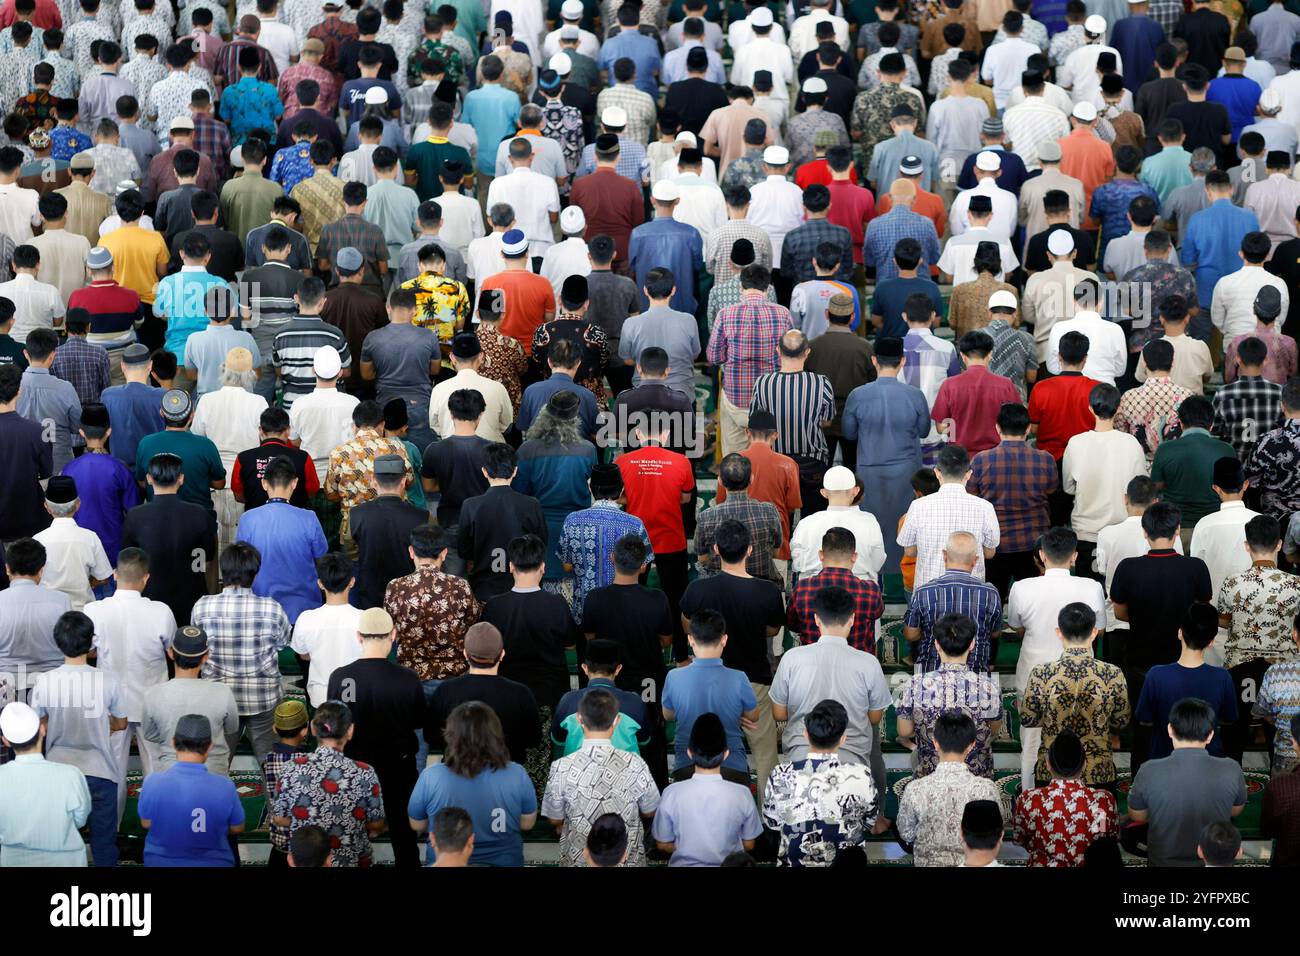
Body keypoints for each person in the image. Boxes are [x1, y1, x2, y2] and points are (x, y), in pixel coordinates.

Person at [771, 585, 892, 815]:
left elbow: (779, 714)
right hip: (853, 762)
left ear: (817, 619)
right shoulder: (868, 663)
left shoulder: (791, 658)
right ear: (852, 619)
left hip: (800, 757)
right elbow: (875, 717)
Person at [29, 610, 127, 867]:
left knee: (58, 844)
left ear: (57, 642)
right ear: (91, 641)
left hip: (57, 771)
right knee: (104, 846)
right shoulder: (108, 680)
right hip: (101, 770)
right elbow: (121, 723)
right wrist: (103, 722)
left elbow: (38, 724)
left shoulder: (45, 681)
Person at [83, 546, 174, 820]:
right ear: (146, 578)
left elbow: (87, 651)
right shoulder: (161, 612)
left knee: (111, 775)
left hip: (111, 706)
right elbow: (173, 652)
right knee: (157, 774)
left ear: (114, 574)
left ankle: (108, 833)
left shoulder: (94, 610)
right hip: (151, 703)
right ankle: (159, 829)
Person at [191, 542, 292, 766]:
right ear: (254, 574)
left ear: (223, 571)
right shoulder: (272, 608)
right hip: (264, 698)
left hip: (219, 700)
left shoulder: (202, 607)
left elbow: (198, 648)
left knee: (216, 766)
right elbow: (283, 643)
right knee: (271, 766)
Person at [407, 700, 537, 866]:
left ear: (451, 735)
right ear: (495, 735)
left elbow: (417, 824)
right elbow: (527, 823)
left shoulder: (431, 776)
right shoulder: (517, 773)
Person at [541, 687, 660, 866]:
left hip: (579, 858)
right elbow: (650, 810)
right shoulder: (635, 763)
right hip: (627, 858)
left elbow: (555, 818)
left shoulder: (561, 766)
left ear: (579, 719)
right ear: (617, 720)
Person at [1021, 603, 1130, 789]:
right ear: (1094, 632)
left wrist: (1051, 719)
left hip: (1052, 769)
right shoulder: (1112, 673)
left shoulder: (1041, 673)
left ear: (1059, 633)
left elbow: (1027, 719)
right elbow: (1121, 721)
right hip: (1098, 771)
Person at [1128, 697, 1247, 866]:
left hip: (1163, 861)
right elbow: (1235, 811)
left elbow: (1137, 815)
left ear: (1170, 730)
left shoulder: (1148, 770)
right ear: (1210, 735)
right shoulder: (1232, 768)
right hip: (1213, 859)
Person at [761, 698, 879, 867]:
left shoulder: (780, 774)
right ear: (843, 739)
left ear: (805, 734)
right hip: (846, 863)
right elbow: (869, 821)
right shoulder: (862, 775)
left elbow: (772, 822)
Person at [270, 701, 385, 867]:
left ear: (313, 728)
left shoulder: (290, 768)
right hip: (352, 860)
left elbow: (279, 819)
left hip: (307, 860)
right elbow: (376, 824)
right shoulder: (365, 772)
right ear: (350, 731)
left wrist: (309, 818)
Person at [651, 712, 764, 866]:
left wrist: (688, 850)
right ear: (726, 754)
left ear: (689, 753)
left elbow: (662, 844)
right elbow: (749, 844)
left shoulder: (672, 793)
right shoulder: (742, 794)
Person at [896, 710, 1004, 867]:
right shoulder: (986, 789)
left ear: (935, 743)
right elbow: (995, 832)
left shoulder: (915, 789)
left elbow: (906, 833)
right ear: (971, 746)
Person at [136, 713, 245, 867]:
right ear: (210, 746)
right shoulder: (225, 786)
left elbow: (146, 823)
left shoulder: (152, 782)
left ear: (173, 743)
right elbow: (237, 827)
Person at [120, 452, 215, 626]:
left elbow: (129, 556)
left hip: (150, 597)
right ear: (181, 479)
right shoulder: (198, 513)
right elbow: (207, 555)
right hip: (190, 595)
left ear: (149, 479)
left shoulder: (135, 515)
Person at [0, 700, 93, 867]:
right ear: (42, 730)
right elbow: (80, 820)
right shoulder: (70, 775)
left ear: (5, 741)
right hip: (66, 861)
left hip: (14, 860)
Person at [1012, 730, 1119, 867]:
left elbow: (1020, 839)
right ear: (1084, 765)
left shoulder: (1029, 799)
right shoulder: (1104, 800)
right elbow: (1111, 840)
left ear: (1048, 764)